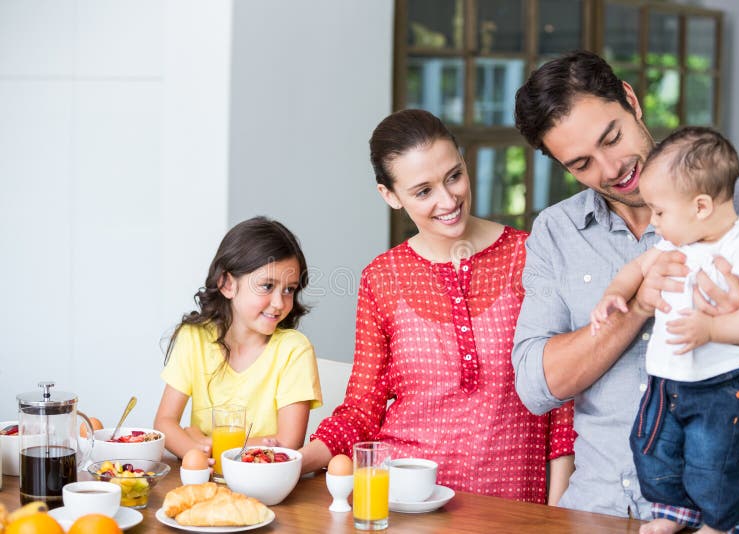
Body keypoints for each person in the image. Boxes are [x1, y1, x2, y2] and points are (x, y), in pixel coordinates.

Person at [512, 50, 739, 532]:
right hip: (595, 511)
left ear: (631, 99)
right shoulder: (556, 232)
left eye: (613, 137)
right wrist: (639, 304)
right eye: (582, 163)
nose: (611, 168)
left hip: (723, 517)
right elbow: (537, 387)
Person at [298, 109, 576, 504]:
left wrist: (558, 514)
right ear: (390, 196)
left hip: (512, 508)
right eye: (423, 191)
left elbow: (561, 398)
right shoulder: (381, 277)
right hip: (402, 505)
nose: (448, 200)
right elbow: (362, 410)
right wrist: (295, 462)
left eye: (454, 176)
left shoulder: (530, 255)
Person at [589, 127, 739, 534]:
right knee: (651, 448)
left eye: (659, 212)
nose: (654, 224)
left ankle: (721, 522)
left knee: (711, 459)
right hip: (671, 376)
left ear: (700, 206)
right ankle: (676, 513)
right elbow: (636, 269)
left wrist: (713, 328)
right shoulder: (678, 242)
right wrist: (614, 294)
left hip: (728, 379)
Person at [154, 216, 322, 462]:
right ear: (227, 284)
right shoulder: (194, 339)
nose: (279, 303)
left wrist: (207, 443)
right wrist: (198, 456)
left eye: (289, 289)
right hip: (205, 476)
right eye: (267, 286)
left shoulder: (294, 350)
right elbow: (165, 423)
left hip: (263, 483)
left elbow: (288, 443)